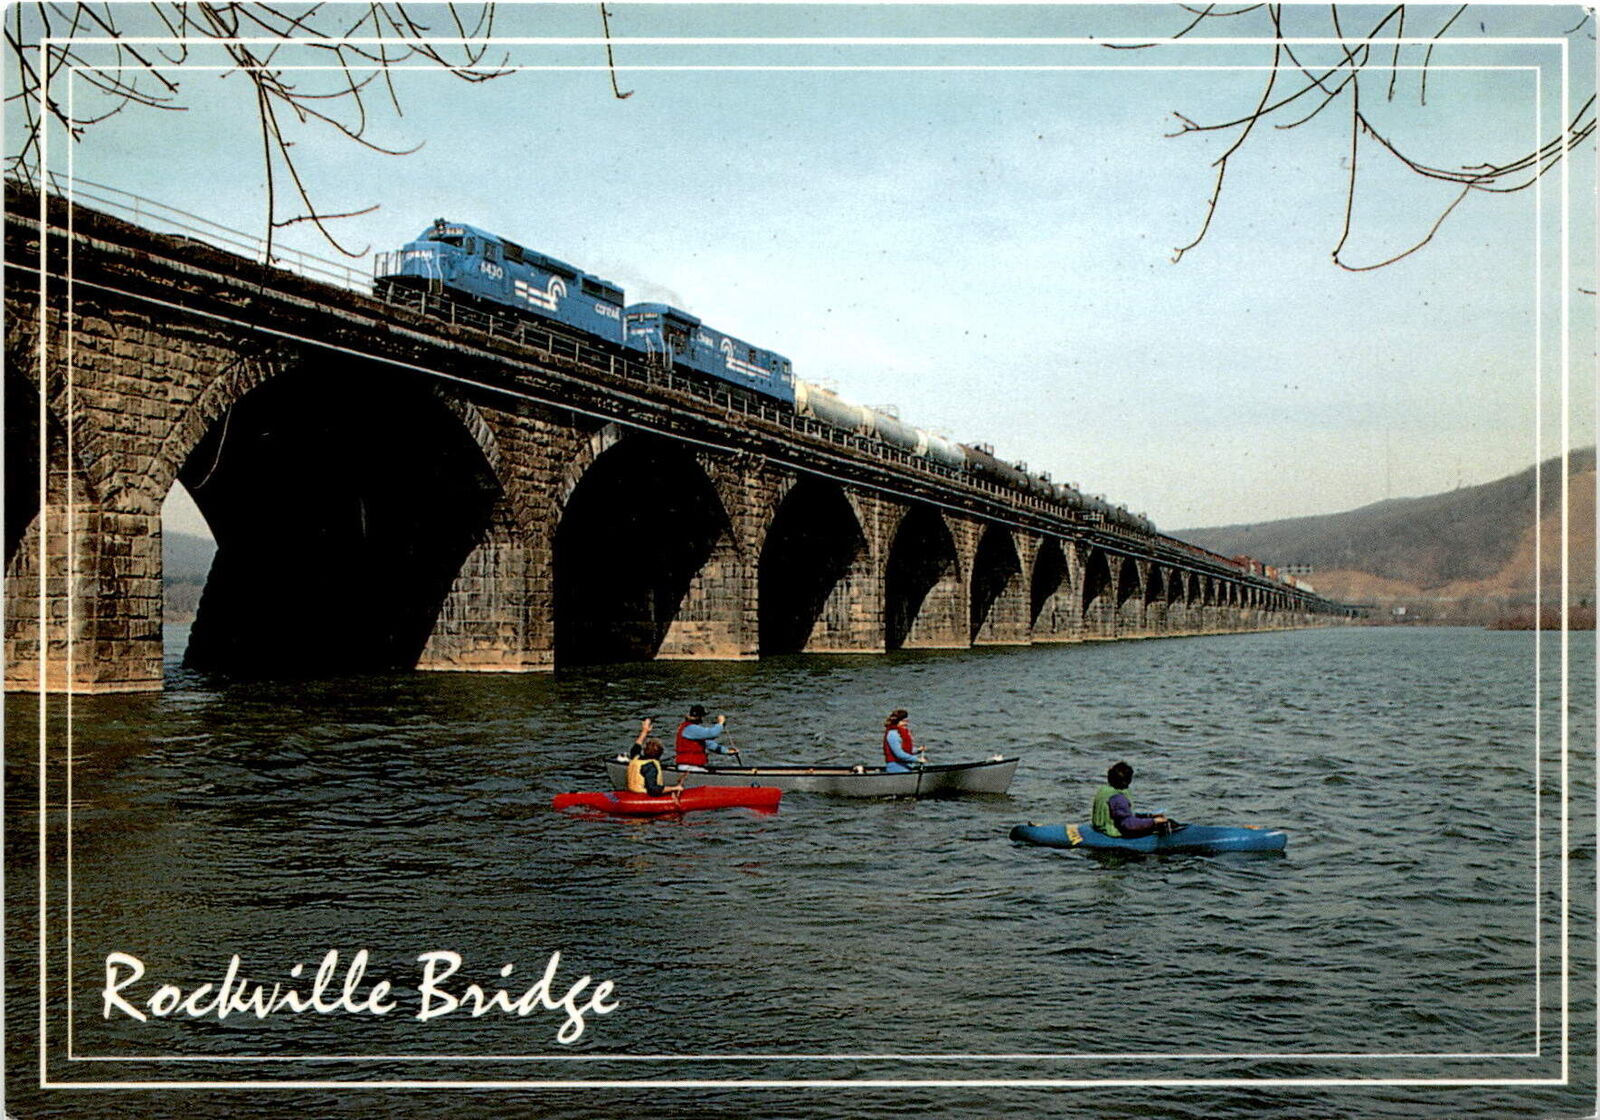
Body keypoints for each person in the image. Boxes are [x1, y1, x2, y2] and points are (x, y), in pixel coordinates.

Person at [1091, 761, 1168, 838]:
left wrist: (1150, 816)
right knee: (1166, 824)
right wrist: (1154, 821)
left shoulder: (1105, 790)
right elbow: (1128, 824)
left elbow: (1122, 815)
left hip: (1102, 829)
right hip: (1113, 832)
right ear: (1126, 781)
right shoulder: (1118, 798)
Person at [675, 704, 739, 768]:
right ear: (699, 717)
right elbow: (712, 733)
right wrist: (720, 724)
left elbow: (709, 744)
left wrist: (727, 751)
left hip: (694, 766)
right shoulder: (690, 728)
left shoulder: (694, 730)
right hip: (688, 766)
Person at [882, 708, 925, 773]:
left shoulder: (901, 733)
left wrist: (918, 750)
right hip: (895, 768)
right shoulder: (892, 734)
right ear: (898, 722)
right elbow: (899, 754)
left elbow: (905, 749)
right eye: (904, 721)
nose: (906, 723)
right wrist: (917, 759)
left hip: (906, 766)